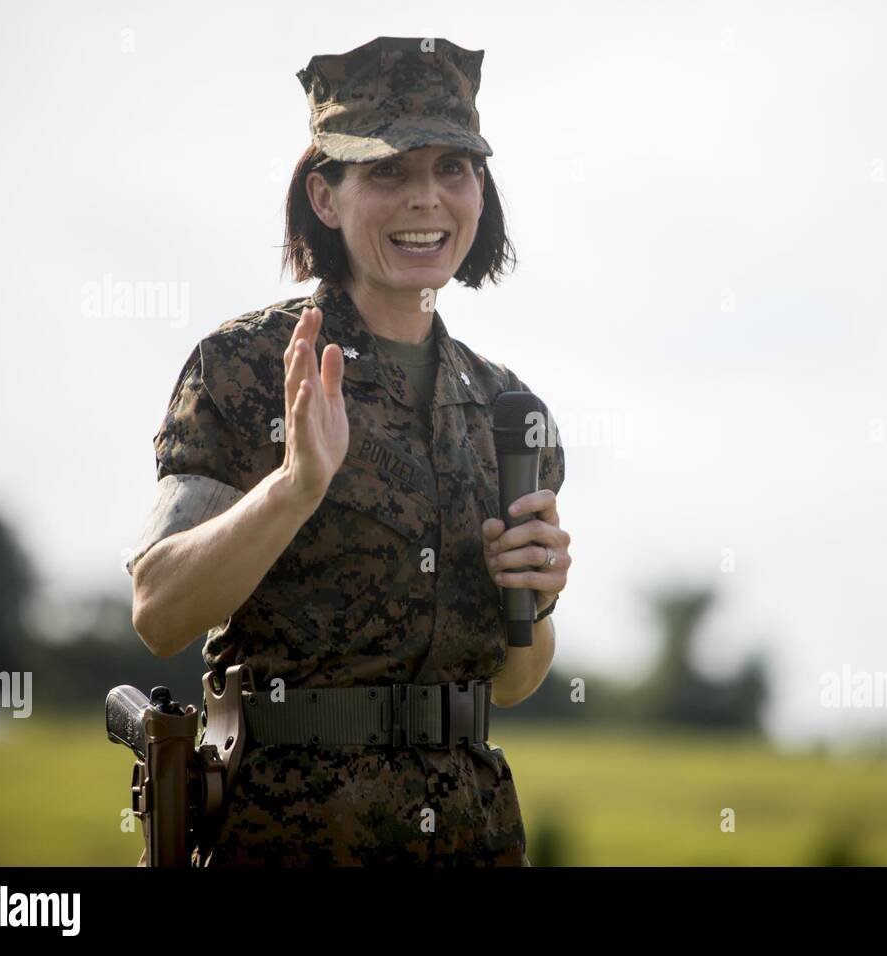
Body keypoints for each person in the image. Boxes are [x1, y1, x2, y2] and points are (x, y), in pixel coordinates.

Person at [125, 36, 572, 866]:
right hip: (286, 835)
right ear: (325, 196)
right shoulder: (251, 368)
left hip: (471, 834)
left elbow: (510, 683)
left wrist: (535, 599)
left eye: (452, 168)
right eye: (388, 172)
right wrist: (293, 490)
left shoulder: (510, 412)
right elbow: (158, 610)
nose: (425, 200)